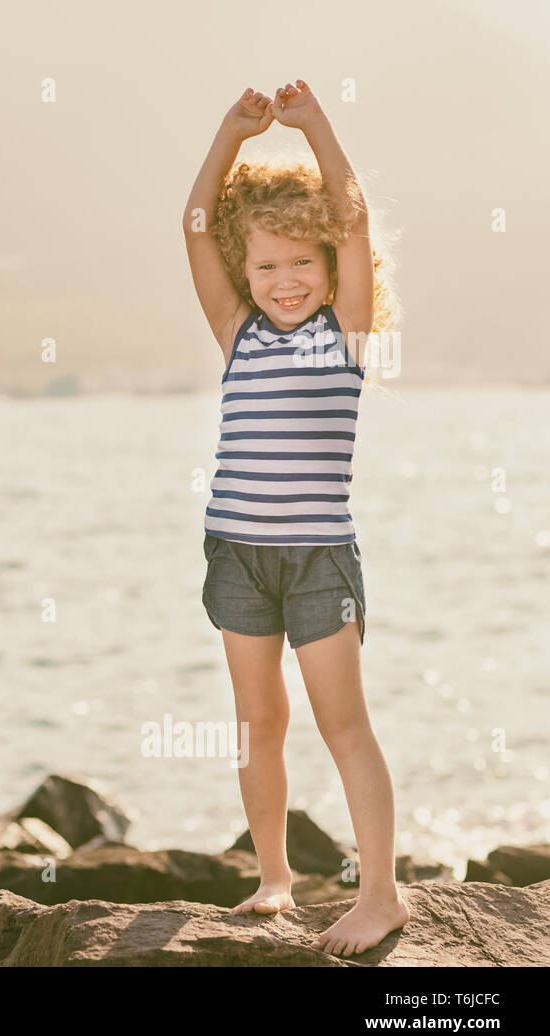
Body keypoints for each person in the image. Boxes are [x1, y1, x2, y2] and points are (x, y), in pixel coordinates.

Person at [182, 81, 408, 956]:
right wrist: (227, 138)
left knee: (343, 723)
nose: (285, 280)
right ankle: (273, 877)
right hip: (238, 556)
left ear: (332, 268)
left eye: (302, 262)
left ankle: (381, 893)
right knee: (259, 720)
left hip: (317, 561)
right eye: (267, 264)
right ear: (246, 272)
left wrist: (316, 127)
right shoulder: (237, 332)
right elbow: (196, 225)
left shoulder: (345, 336)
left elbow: (352, 220)